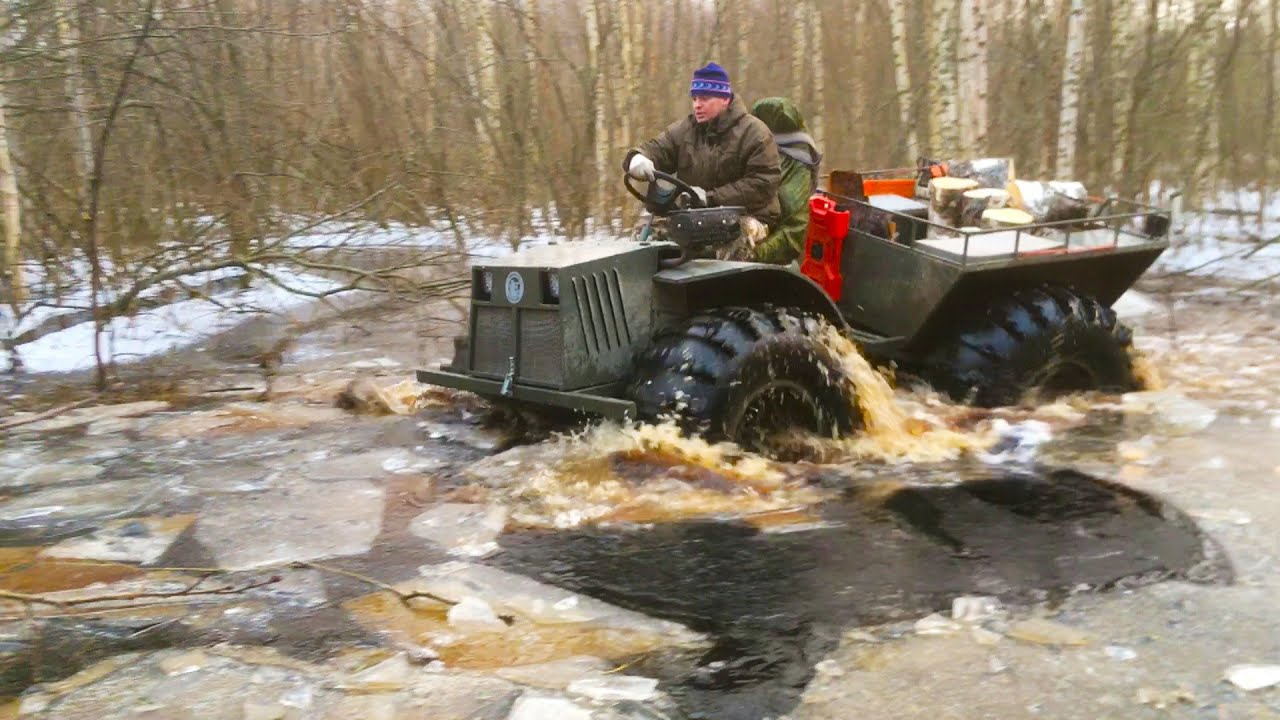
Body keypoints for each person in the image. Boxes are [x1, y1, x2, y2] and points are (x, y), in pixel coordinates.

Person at [623, 62, 781, 259]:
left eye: (704, 99)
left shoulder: (755, 134)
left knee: (732, 240)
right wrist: (638, 158)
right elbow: (658, 148)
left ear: (724, 98)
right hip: (696, 216)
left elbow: (762, 185)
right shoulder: (685, 131)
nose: (697, 104)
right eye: (695, 98)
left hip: (749, 216)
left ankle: (726, 289)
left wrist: (710, 198)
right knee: (646, 236)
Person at [749, 97, 822, 266]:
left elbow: (794, 230)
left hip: (775, 261)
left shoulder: (797, 165)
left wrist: (755, 254)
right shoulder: (752, 155)